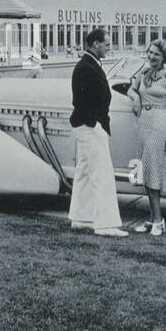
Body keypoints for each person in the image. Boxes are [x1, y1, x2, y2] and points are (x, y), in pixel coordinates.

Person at [68, 27, 127, 237]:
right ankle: (105, 224)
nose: (109, 48)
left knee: (84, 172)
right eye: (107, 44)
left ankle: (80, 218)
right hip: (90, 126)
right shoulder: (86, 67)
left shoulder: (88, 64)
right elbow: (81, 101)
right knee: (101, 174)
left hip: (88, 125)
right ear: (95, 44)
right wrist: (95, 123)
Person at [127, 38, 166, 235]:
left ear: (164, 57)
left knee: (154, 169)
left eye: (156, 54)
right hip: (143, 122)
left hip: (159, 122)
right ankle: (152, 219)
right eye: (150, 53)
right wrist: (136, 98)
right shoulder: (144, 73)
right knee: (146, 169)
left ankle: (158, 220)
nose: (151, 57)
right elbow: (131, 89)